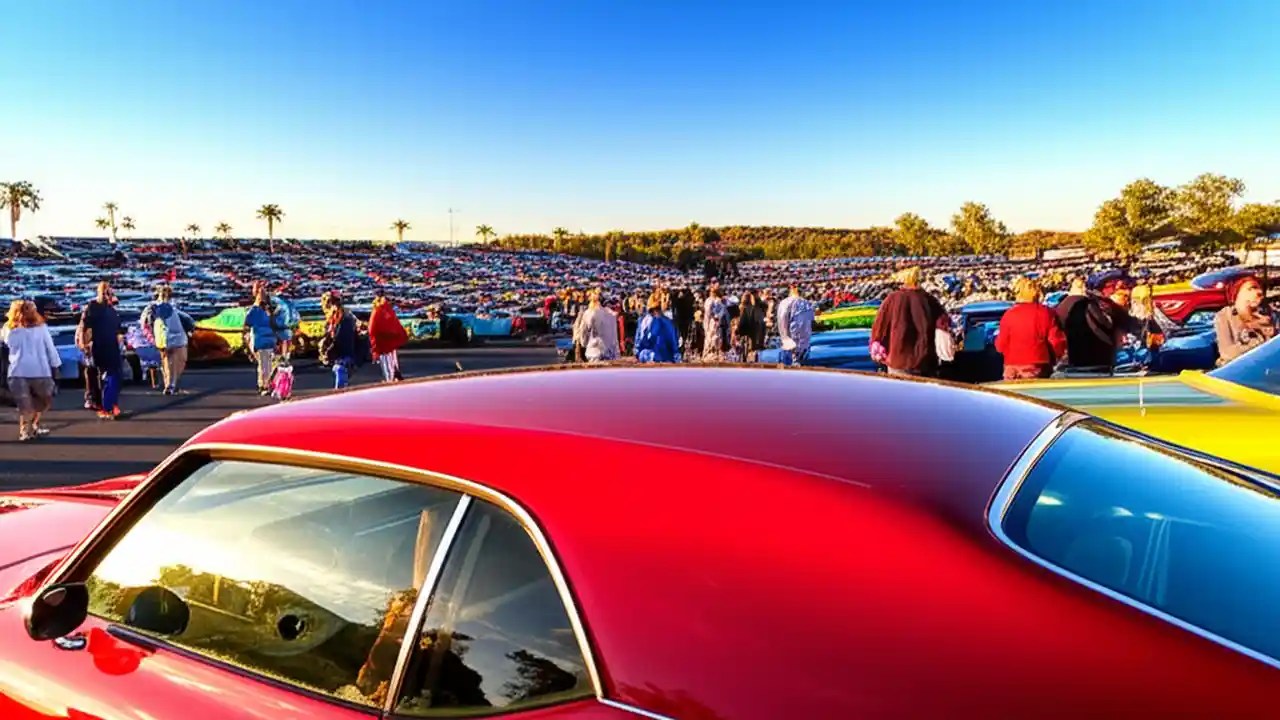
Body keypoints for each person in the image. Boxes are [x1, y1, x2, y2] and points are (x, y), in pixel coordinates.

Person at [1, 300, 61, 441]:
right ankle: (25, 431)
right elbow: (7, 341)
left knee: (43, 401)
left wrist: (56, 364)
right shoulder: (9, 329)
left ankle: (34, 424)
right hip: (20, 372)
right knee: (26, 405)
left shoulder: (41, 328)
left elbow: (50, 348)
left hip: (38, 371)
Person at [870, 267, 947, 376]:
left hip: (897, 361)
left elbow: (879, 328)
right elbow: (944, 325)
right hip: (925, 361)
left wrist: (877, 348)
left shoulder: (892, 299)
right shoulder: (929, 300)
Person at [1055, 274, 1136, 372]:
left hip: (1075, 357)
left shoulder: (1061, 306)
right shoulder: (1094, 304)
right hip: (1098, 356)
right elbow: (1106, 324)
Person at [995, 277, 1067, 380]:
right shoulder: (1046, 313)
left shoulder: (1008, 315)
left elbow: (1000, 345)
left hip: (1012, 368)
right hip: (1038, 367)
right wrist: (1058, 357)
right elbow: (1056, 342)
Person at [78, 281, 125, 419]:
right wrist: (83, 343)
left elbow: (118, 329)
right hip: (99, 346)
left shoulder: (111, 310)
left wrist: (120, 339)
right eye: (104, 292)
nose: (107, 295)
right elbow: (84, 326)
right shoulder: (93, 307)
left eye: (109, 292)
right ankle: (107, 406)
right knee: (108, 376)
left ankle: (110, 405)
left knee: (115, 376)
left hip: (112, 346)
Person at [140, 285, 194, 394]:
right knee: (172, 361)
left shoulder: (161, 307)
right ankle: (170, 383)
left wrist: (151, 337)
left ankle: (169, 382)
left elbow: (145, 323)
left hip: (167, 339)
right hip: (170, 339)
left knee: (170, 361)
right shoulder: (159, 307)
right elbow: (188, 321)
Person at [1215, 273, 1276, 363]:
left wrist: (1270, 334)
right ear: (1237, 293)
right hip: (1236, 370)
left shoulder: (1270, 314)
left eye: (1259, 288)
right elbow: (1227, 353)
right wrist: (1259, 341)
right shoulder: (1225, 315)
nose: (1258, 292)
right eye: (1251, 289)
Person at [244, 290, 282, 395]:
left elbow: (247, 324)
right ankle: (267, 385)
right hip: (269, 340)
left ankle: (265, 385)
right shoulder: (270, 311)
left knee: (264, 365)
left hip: (260, 340)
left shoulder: (253, 311)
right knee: (268, 364)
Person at [369, 290, 408, 383]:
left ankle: (391, 380)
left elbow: (372, 329)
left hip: (384, 346)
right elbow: (395, 326)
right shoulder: (386, 309)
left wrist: (374, 347)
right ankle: (394, 378)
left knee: (389, 373)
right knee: (392, 367)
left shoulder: (379, 310)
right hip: (389, 345)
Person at [321, 291, 359, 388]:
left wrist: (330, 346)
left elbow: (340, 336)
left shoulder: (341, 316)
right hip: (345, 352)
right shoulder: (342, 315)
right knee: (341, 370)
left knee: (341, 370)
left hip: (343, 353)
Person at [776, 284, 816, 367]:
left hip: (793, 328)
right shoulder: (806, 302)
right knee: (801, 350)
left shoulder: (785, 302)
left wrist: (784, 335)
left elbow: (782, 318)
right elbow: (812, 318)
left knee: (791, 349)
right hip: (804, 331)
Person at [634, 296, 679, 363]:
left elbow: (644, 338)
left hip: (659, 353)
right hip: (663, 354)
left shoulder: (649, 321)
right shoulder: (647, 321)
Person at [578, 290, 620, 362]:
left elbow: (583, 333)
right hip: (611, 353)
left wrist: (584, 344)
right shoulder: (611, 314)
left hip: (594, 352)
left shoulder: (589, 313)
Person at [735, 289, 767, 361]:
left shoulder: (755, 305)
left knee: (748, 348)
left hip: (748, 330)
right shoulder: (745, 307)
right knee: (749, 348)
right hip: (750, 330)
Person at [702, 287, 729, 360]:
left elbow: (722, 310)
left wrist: (717, 316)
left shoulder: (719, 301)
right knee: (709, 337)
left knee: (717, 337)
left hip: (716, 321)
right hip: (710, 321)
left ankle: (716, 353)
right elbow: (708, 311)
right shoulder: (708, 300)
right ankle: (708, 354)